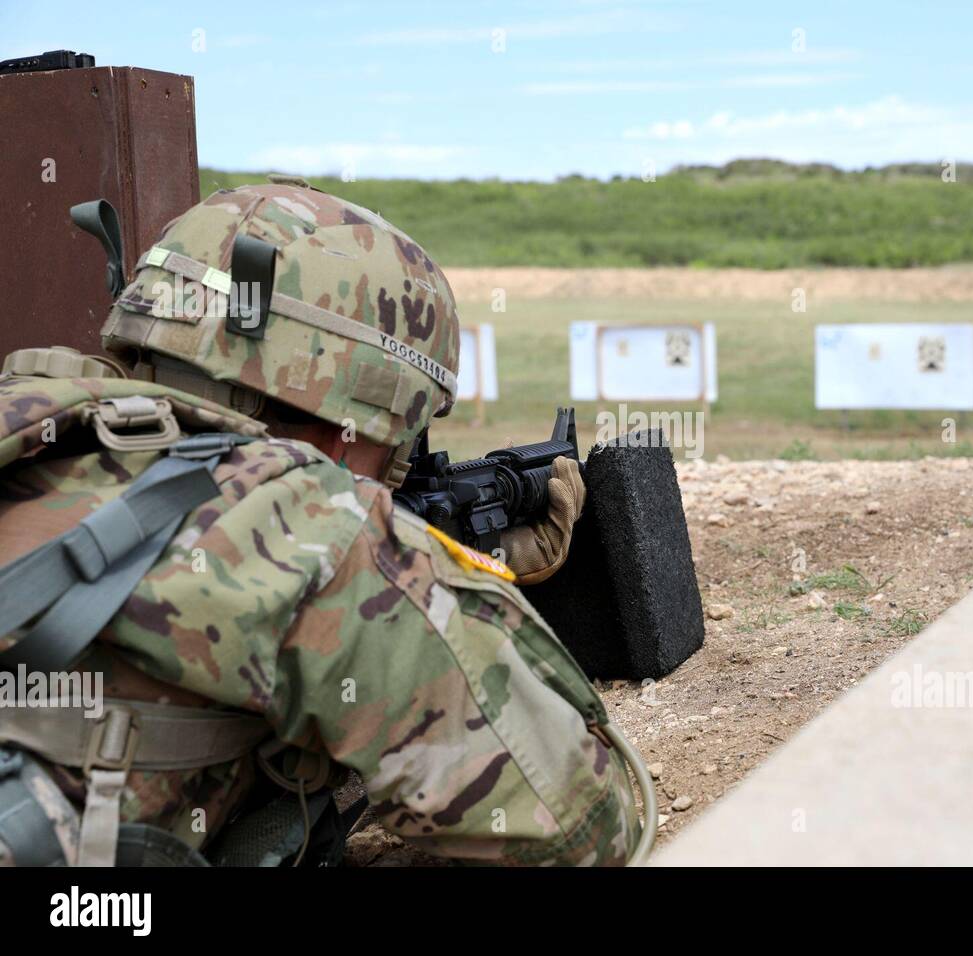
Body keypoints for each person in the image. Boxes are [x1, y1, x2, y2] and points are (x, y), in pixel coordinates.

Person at [0, 179, 647, 867]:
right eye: (402, 436)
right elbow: (589, 830)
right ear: (351, 417)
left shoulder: (30, 425)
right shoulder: (309, 527)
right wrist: (452, 588)